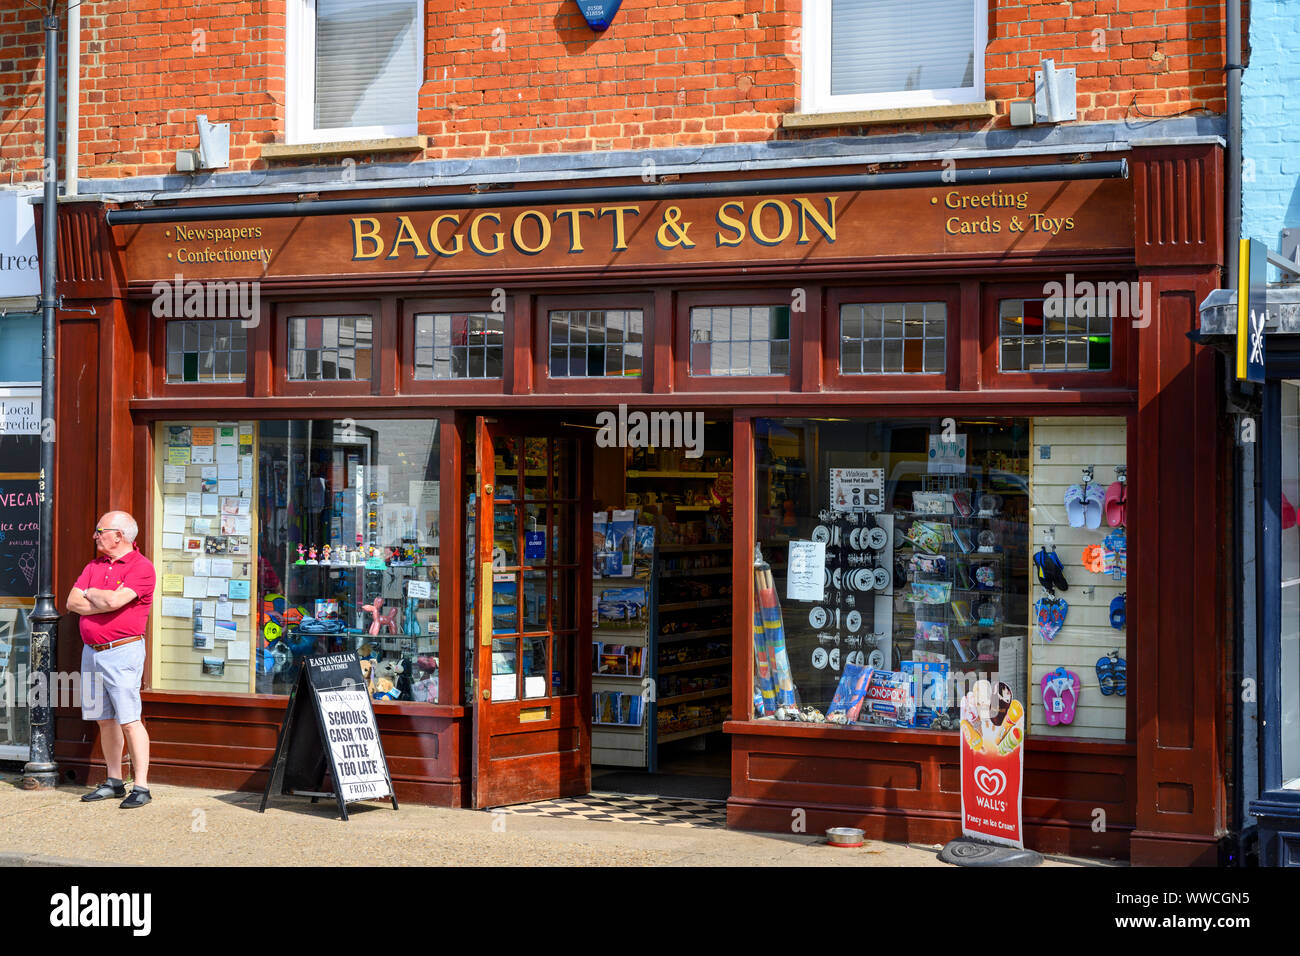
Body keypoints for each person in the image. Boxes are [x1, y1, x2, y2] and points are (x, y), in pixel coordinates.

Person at [65, 511, 156, 808]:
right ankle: (114, 781)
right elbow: (71, 602)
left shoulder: (142, 568)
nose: (95, 536)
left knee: (129, 720)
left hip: (123, 650)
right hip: (92, 652)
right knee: (104, 720)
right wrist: (101, 599)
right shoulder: (94, 565)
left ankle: (141, 787)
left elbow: (116, 601)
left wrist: (92, 595)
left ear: (118, 535)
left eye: (99, 530)